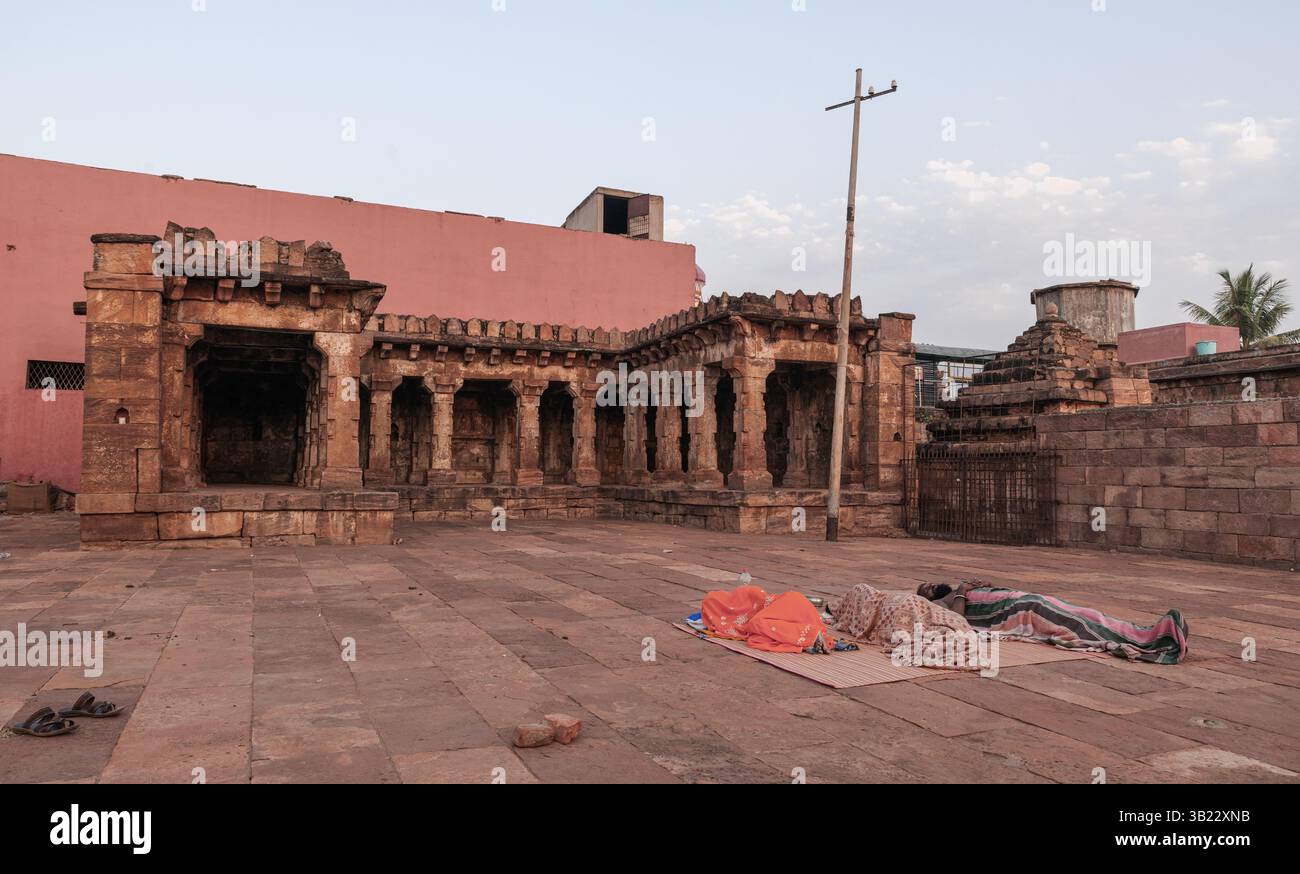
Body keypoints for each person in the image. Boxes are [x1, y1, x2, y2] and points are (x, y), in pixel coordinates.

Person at [916, 581, 1188, 665]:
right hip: (1022, 611)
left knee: (1083, 614)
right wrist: (963, 590)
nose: (929, 586)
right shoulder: (940, 604)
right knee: (1074, 624)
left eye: (927, 583)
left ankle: (1145, 632)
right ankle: (1148, 640)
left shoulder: (957, 588)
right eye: (925, 588)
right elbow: (958, 620)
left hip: (1023, 599)